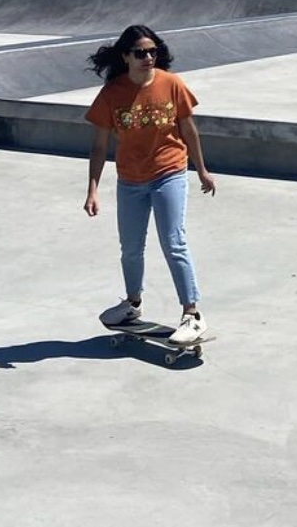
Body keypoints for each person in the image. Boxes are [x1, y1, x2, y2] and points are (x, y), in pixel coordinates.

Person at [83, 25, 216, 346]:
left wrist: (201, 170)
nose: (148, 58)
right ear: (126, 56)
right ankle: (132, 304)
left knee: (174, 242)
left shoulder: (172, 84)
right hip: (130, 179)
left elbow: (189, 129)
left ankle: (192, 313)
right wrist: (92, 189)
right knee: (130, 248)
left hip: (169, 172)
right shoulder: (112, 93)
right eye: (141, 52)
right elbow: (99, 146)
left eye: (153, 51)